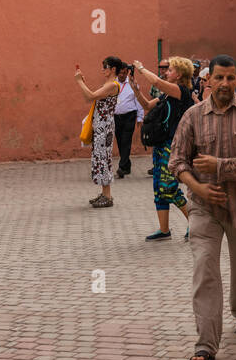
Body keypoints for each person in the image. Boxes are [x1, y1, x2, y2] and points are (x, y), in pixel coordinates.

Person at [171, 55, 236, 360]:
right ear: (208, 80)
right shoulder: (193, 116)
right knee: (205, 269)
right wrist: (197, 189)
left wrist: (220, 166)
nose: (225, 84)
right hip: (204, 208)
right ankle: (206, 345)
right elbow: (177, 162)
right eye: (219, 78)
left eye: (230, 78)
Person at [133, 56, 194, 241]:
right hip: (161, 145)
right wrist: (136, 91)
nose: (167, 72)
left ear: (179, 74)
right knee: (158, 188)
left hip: (173, 145)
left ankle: (195, 224)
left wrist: (141, 67)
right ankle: (164, 229)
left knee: (169, 187)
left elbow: (157, 82)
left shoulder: (181, 91)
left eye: (170, 69)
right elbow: (147, 106)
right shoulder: (167, 94)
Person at [74, 57, 122, 207]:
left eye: (105, 67)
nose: (103, 69)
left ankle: (107, 196)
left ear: (113, 69)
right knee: (100, 157)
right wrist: (82, 82)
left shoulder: (112, 85)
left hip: (104, 127)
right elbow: (91, 96)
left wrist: (80, 82)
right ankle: (104, 193)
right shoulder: (109, 84)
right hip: (102, 126)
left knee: (103, 158)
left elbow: (91, 96)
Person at [114, 64, 144, 178]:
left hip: (129, 116)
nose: (122, 75)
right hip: (116, 117)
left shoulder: (132, 84)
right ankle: (127, 165)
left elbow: (138, 100)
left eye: (124, 73)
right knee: (120, 141)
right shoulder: (113, 84)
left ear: (127, 72)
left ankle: (121, 168)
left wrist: (140, 117)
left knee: (126, 141)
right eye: (120, 73)